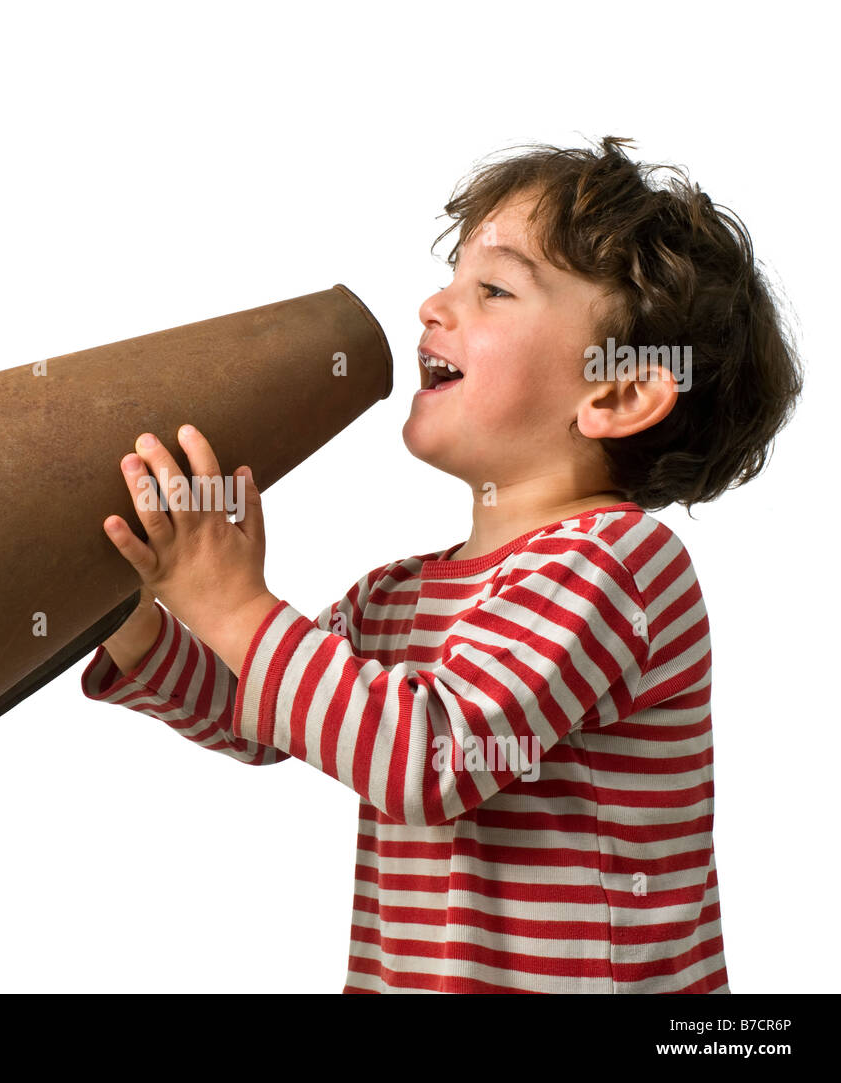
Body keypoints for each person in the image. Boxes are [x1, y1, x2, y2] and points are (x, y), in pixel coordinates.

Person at [80, 135, 803, 993]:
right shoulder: (396, 595)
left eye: (493, 288)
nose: (434, 304)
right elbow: (263, 711)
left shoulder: (621, 563)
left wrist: (237, 604)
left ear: (616, 392)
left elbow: (428, 759)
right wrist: (133, 611)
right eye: (452, 275)